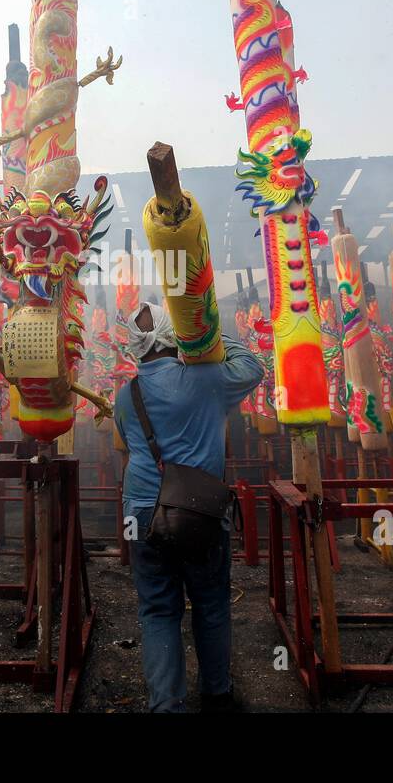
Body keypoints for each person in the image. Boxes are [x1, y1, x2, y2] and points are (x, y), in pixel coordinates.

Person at [114, 300, 263, 713]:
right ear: (170, 335)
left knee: (158, 608)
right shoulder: (206, 380)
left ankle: (166, 704)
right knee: (211, 601)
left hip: (140, 512)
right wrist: (206, 331)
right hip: (199, 509)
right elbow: (253, 367)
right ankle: (216, 694)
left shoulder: (127, 394)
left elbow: (128, 443)